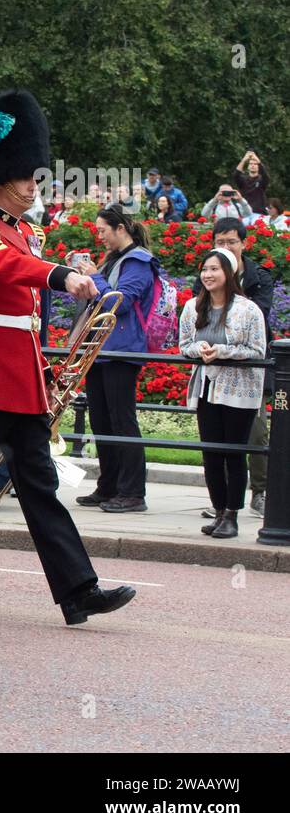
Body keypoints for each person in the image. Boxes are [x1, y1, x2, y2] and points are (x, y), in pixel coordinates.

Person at [0, 88, 136, 626]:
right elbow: (9, 272)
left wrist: (44, 369)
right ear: (0, 178)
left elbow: (26, 304)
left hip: (18, 376)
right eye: (27, 177)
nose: (32, 186)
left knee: (39, 485)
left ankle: (77, 589)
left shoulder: (26, 232)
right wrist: (63, 275)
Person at [72, 207, 160, 513]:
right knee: (101, 420)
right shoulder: (114, 260)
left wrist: (95, 277)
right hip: (100, 348)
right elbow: (100, 298)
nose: (99, 236)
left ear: (120, 228)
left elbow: (119, 302)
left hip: (122, 349)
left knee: (122, 420)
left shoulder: (138, 261)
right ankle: (109, 486)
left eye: (102, 230)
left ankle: (133, 492)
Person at [181, 249, 267, 539]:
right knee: (212, 454)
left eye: (214, 269)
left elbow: (258, 350)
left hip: (238, 391)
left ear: (228, 273)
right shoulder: (193, 307)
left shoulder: (248, 309)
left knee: (233, 453)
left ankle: (232, 515)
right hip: (206, 388)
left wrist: (224, 352)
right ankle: (218, 511)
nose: (208, 274)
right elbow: (184, 344)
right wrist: (199, 350)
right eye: (204, 269)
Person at [196, 218, 275, 516]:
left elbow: (260, 320)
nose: (225, 247)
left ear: (243, 243)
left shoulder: (258, 277)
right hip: (212, 376)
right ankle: (224, 503)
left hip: (246, 375)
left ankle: (260, 491)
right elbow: (195, 320)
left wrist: (224, 346)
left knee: (253, 435)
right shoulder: (206, 276)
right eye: (220, 241)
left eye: (231, 241)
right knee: (215, 444)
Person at [233, 150, 270, 216]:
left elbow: (265, 175)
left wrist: (257, 159)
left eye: (255, 164)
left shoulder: (262, 180)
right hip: (244, 213)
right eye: (250, 164)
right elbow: (236, 175)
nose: (253, 165)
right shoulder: (243, 180)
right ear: (248, 167)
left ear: (258, 167)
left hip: (259, 213)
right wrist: (244, 160)